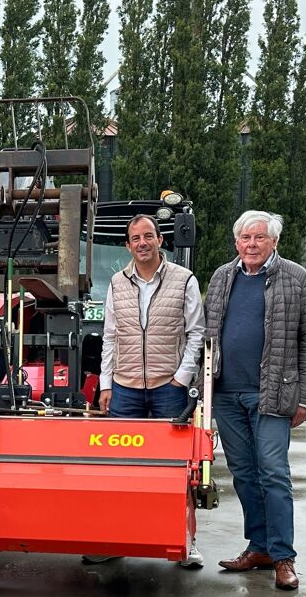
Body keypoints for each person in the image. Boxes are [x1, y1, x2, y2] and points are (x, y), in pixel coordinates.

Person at [204, 210, 306, 591]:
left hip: (272, 394)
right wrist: (203, 389)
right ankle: (259, 547)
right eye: (245, 238)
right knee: (242, 473)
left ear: (273, 242)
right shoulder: (223, 277)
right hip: (226, 393)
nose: (251, 244)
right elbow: (207, 334)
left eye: (259, 238)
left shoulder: (296, 278)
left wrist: (303, 398)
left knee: (273, 473)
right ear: (236, 242)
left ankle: (284, 556)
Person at [88, 213, 206, 568]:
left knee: (176, 470)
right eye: (135, 238)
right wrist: (106, 384)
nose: (142, 243)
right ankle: (117, 539)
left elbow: (196, 332)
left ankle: (186, 542)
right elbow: (110, 337)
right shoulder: (115, 283)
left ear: (160, 240)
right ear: (127, 245)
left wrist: (182, 378)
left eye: (148, 236)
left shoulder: (184, 280)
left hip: (168, 388)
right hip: (124, 389)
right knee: (122, 469)